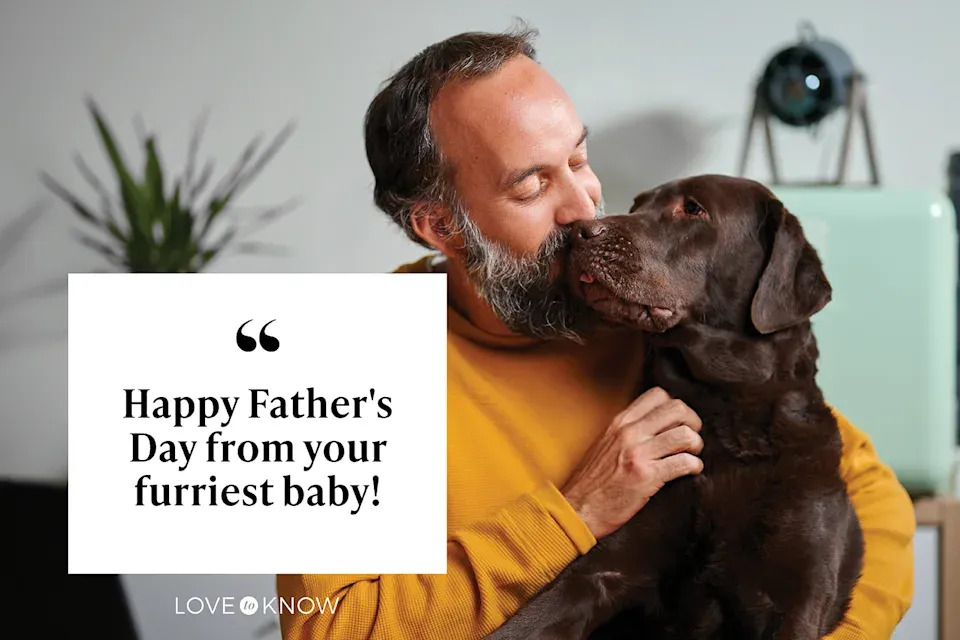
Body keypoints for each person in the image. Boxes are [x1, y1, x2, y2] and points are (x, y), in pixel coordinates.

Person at [277, 22, 916, 639]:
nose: (585, 210)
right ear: (441, 227)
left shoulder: (646, 313)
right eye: (532, 185)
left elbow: (867, 491)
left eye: (580, 160)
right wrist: (573, 516)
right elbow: (332, 626)